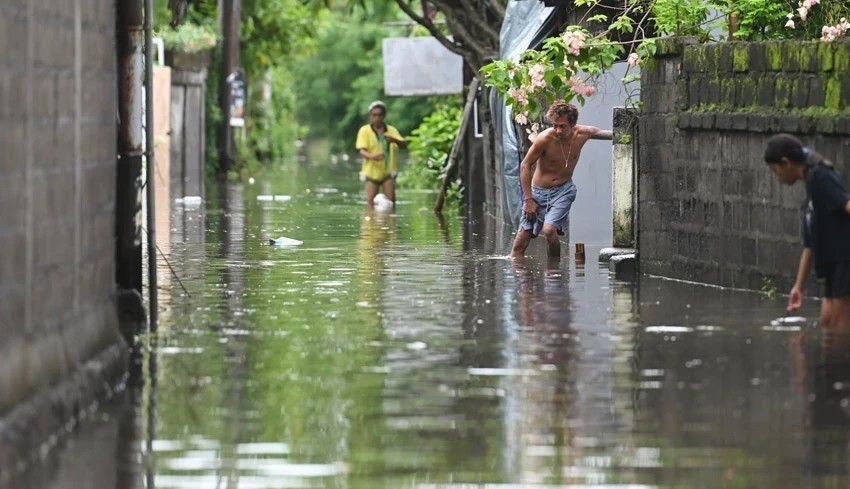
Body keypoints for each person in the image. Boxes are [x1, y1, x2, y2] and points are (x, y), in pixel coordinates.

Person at [764, 133, 850, 329]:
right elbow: (809, 245)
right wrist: (799, 287)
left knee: (841, 331)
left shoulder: (821, 176)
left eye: (775, 170)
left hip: (845, 262)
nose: (777, 178)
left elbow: (847, 204)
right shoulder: (811, 184)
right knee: (828, 324)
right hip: (833, 267)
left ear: (786, 163)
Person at [511, 100, 612, 258]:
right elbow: (525, 165)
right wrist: (528, 199)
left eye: (562, 126)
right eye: (555, 125)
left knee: (549, 230)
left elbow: (611, 134)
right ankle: (522, 280)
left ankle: (554, 272)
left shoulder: (583, 133)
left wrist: (628, 133)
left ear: (573, 124)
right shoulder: (545, 139)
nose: (558, 130)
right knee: (519, 245)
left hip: (563, 191)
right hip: (537, 194)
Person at [355, 101, 407, 210]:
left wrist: (393, 140)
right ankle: (371, 224)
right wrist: (372, 156)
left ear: (384, 116)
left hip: (387, 172)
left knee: (391, 203)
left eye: (379, 115)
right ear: (370, 116)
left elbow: (403, 144)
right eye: (374, 115)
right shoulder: (364, 131)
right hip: (371, 173)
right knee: (370, 203)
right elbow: (361, 150)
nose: (377, 118)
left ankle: (389, 225)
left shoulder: (391, 130)